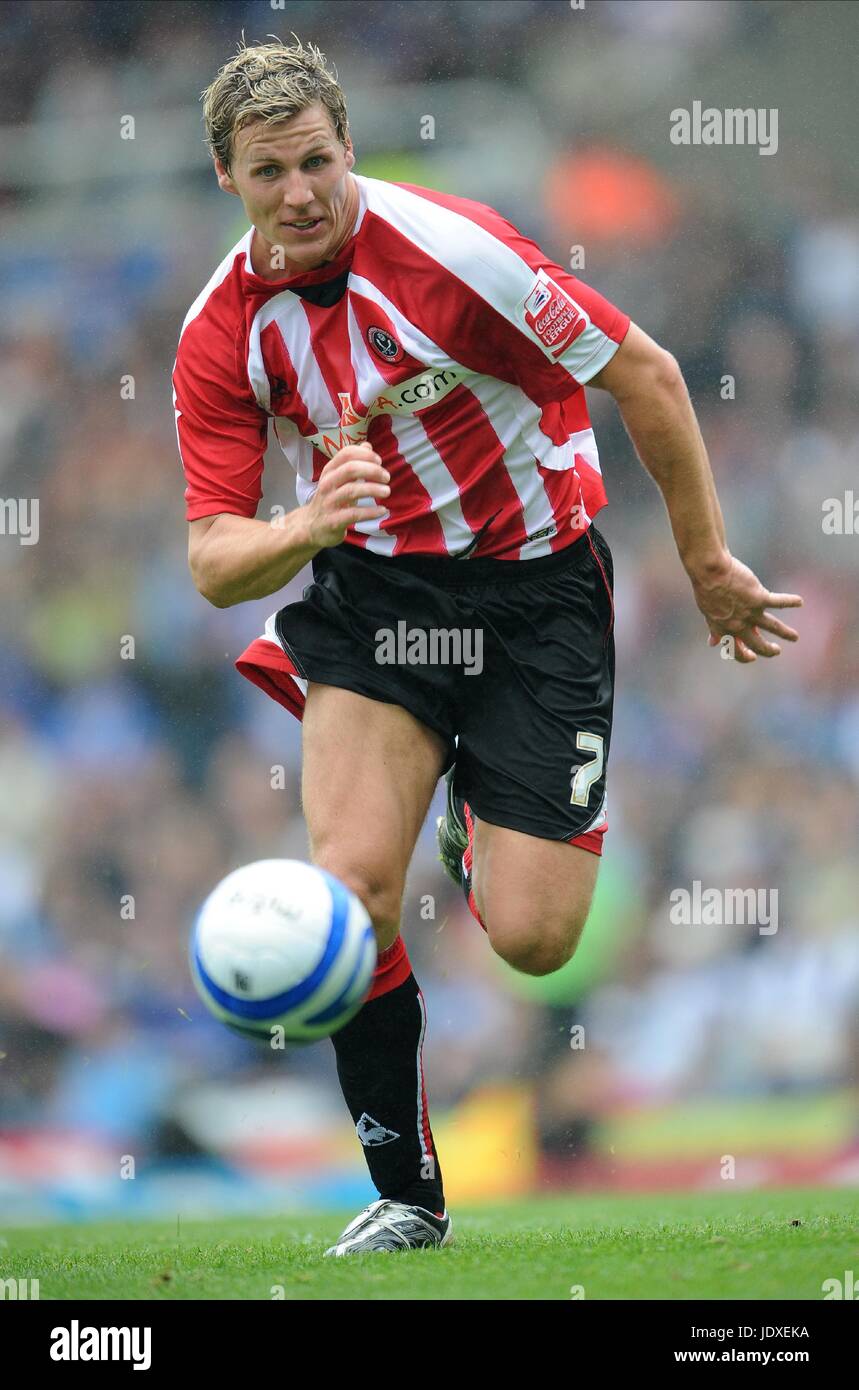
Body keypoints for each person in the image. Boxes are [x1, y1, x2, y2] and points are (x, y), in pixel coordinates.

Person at [172, 38, 802, 1255]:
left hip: (533, 598)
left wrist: (709, 564)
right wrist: (310, 520)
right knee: (350, 898)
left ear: (348, 148)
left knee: (532, 937)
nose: (298, 191)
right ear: (225, 178)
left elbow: (650, 377)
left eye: (316, 160)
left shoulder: (455, 257)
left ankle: (474, 819)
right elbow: (211, 562)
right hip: (371, 606)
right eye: (267, 171)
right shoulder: (223, 331)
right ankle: (407, 1194)